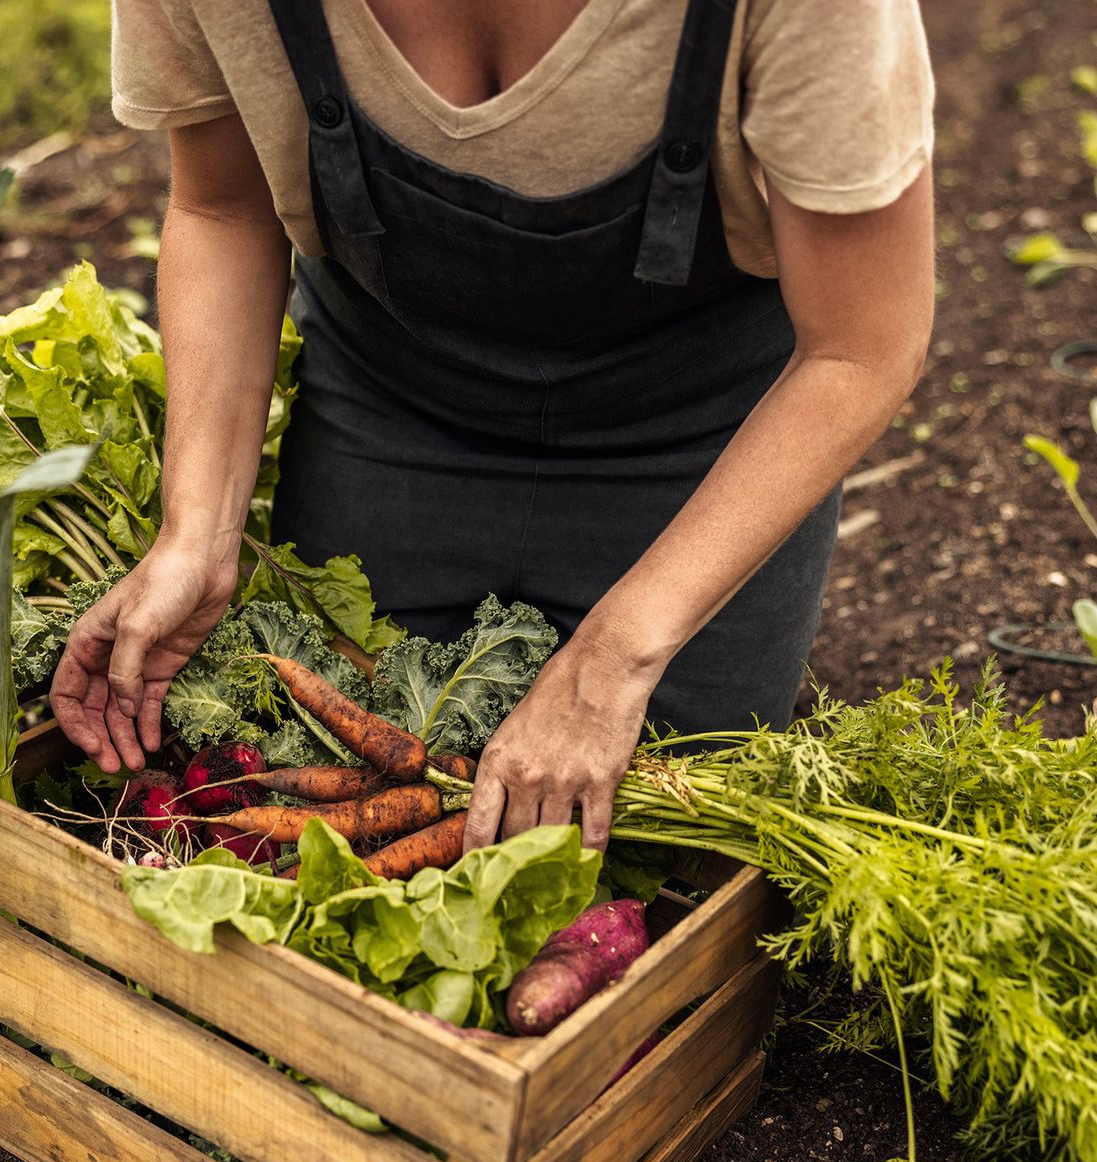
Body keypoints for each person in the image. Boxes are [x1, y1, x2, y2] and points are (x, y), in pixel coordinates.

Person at [51, 0, 935, 855]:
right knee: (340, 815)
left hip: (700, 440)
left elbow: (860, 348)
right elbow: (222, 207)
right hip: (394, 406)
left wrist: (616, 656)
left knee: (661, 855)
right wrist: (197, 536)